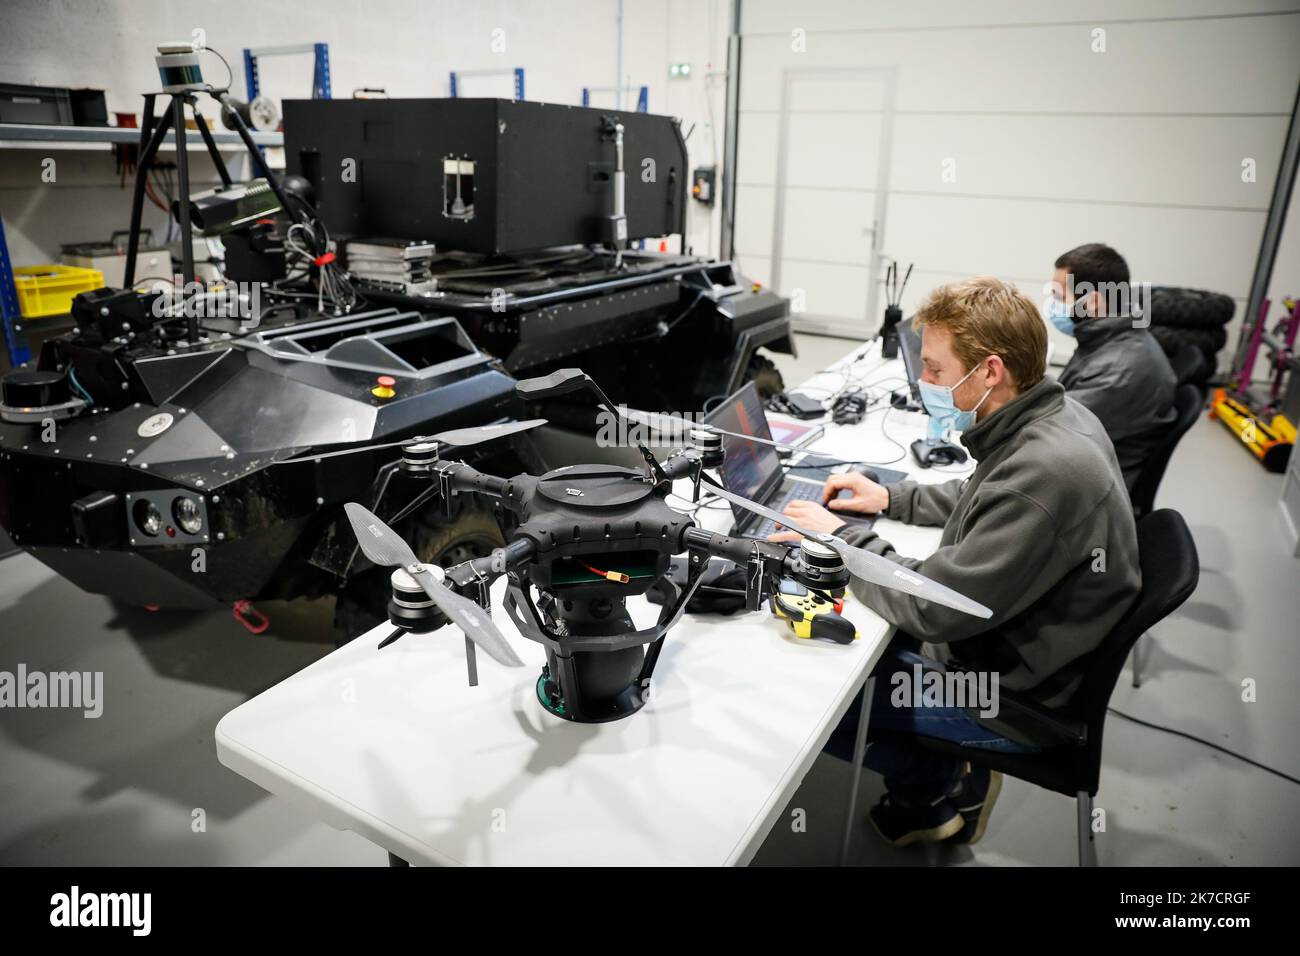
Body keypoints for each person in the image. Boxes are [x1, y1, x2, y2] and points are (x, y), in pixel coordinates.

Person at [770, 276, 1141, 847]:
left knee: (810, 699)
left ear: (990, 370)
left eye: (937, 370)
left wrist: (842, 540)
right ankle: (937, 778)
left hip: (1009, 699)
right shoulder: (1054, 417)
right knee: (844, 642)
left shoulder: (1045, 471)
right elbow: (985, 497)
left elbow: (934, 610)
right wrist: (891, 498)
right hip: (1010, 652)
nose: (924, 381)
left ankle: (931, 785)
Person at [1048, 243, 1177, 492]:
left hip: (1093, 485)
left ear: (1093, 302)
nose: (1052, 305)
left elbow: (1053, 429)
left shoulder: (1119, 369)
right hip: (1089, 459)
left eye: (1060, 297)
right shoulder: (1110, 336)